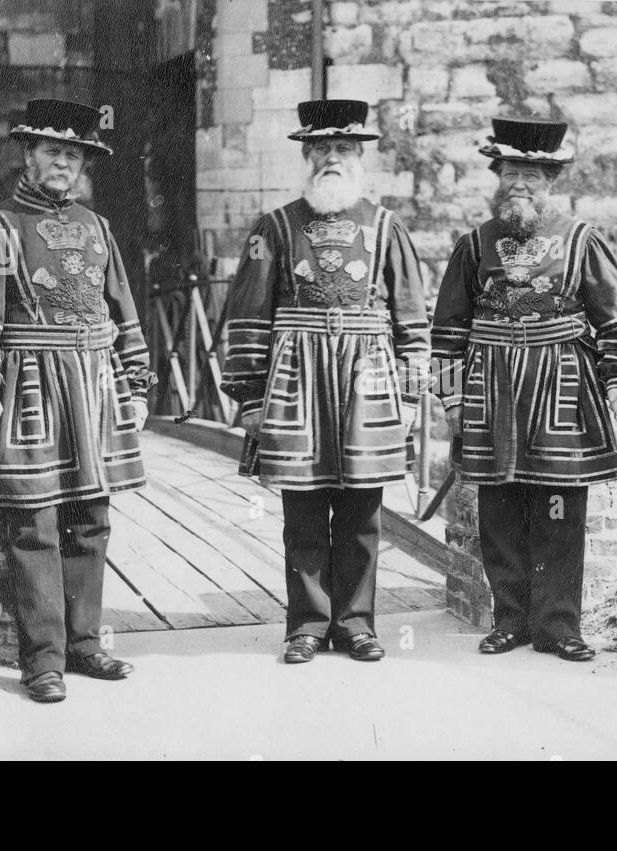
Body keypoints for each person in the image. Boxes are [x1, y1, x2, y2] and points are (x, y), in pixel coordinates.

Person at [0, 99, 154, 702]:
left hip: (92, 385)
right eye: (53, 151)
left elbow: (122, 309)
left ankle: (86, 645)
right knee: (34, 524)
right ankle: (43, 662)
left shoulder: (95, 226)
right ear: (28, 156)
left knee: (92, 519)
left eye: (75, 154)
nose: (64, 163)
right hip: (28, 388)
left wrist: (134, 381)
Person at [220, 99, 429, 664]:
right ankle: (307, 624)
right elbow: (246, 314)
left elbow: (411, 318)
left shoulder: (387, 228)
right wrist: (248, 396)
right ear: (307, 156)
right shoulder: (275, 227)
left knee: (363, 508)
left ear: (359, 157)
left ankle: (357, 624)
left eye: (343, 149)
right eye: (322, 150)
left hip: (369, 380)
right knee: (304, 507)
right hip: (295, 380)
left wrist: (410, 394)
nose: (332, 158)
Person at [431, 116, 617, 662]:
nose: (519, 183)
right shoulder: (475, 244)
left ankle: (558, 625)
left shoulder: (581, 240)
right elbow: (449, 332)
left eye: (531, 173)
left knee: (558, 508)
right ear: (497, 176)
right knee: (499, 509)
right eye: (510, 172)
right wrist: (454, 401)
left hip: (562, 384)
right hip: (491, 388)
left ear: (550, 179)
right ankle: (511, 620)